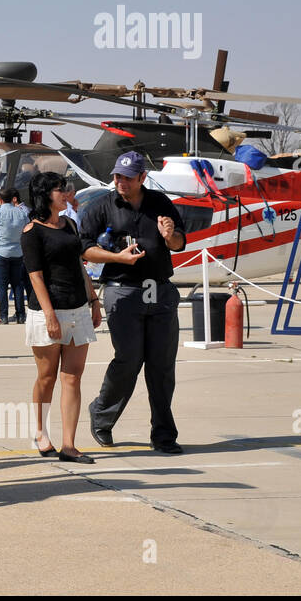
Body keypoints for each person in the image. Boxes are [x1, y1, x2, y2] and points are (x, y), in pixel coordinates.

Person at [81, 152, 187, 454]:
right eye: (117, 176)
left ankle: (164, 435)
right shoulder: (102, 205)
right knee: (128, 360)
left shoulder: (161, 204)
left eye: (127, 177)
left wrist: (170, 237)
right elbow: (85, 248)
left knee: (162, 366)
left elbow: (179, 241)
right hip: (122, 291)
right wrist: (117, 258)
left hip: (161, 292)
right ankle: (101, 414)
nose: (120, 182)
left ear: (142, 178)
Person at [22, 172, 101, 463]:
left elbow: (80, 265)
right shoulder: (32, 231)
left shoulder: (69, 224)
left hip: (78, 306)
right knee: (47, 376)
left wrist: (93, 300)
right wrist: (49, 314)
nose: (65, 193)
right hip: (48, 311)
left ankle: (69, 444)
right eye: (59, 189)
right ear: (45, 195)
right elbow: (35, 276)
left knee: (73, 377)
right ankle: (41, 432)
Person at [0, 186, 30, 324]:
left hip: (1, 252)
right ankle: (21, 315)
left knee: (2, 285)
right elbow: (27, 231)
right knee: (18, 285)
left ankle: (4, 316)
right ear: (13, 199)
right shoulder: (22, 213)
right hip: (18, 252)